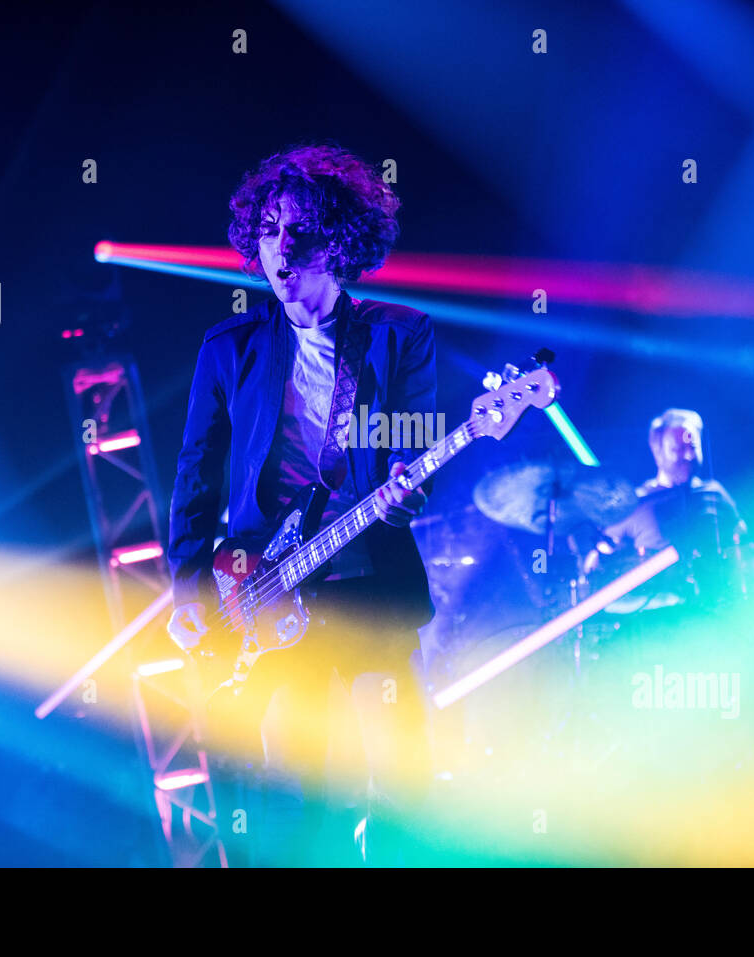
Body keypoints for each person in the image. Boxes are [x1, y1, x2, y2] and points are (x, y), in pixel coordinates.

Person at [164, 143, 435, 864]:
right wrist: (189, 587)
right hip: (271, 594)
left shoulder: (398, 337)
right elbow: (197, 474)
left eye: (301, 230)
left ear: (337, 241)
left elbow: (412, 453)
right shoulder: (230, 349)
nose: (281, 246)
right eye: (269, 228)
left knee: (404, 788)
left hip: (370, 587)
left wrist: (406, 487)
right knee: (299, 802)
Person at [584, 408, 745, 611]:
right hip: (658, 622)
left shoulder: (715, 493)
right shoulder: (635, 504)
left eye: (693, 447)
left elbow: (739, 547)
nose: (688, 455)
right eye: (678, 449)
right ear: (658, 452)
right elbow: (597, 568)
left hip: (715, 612)